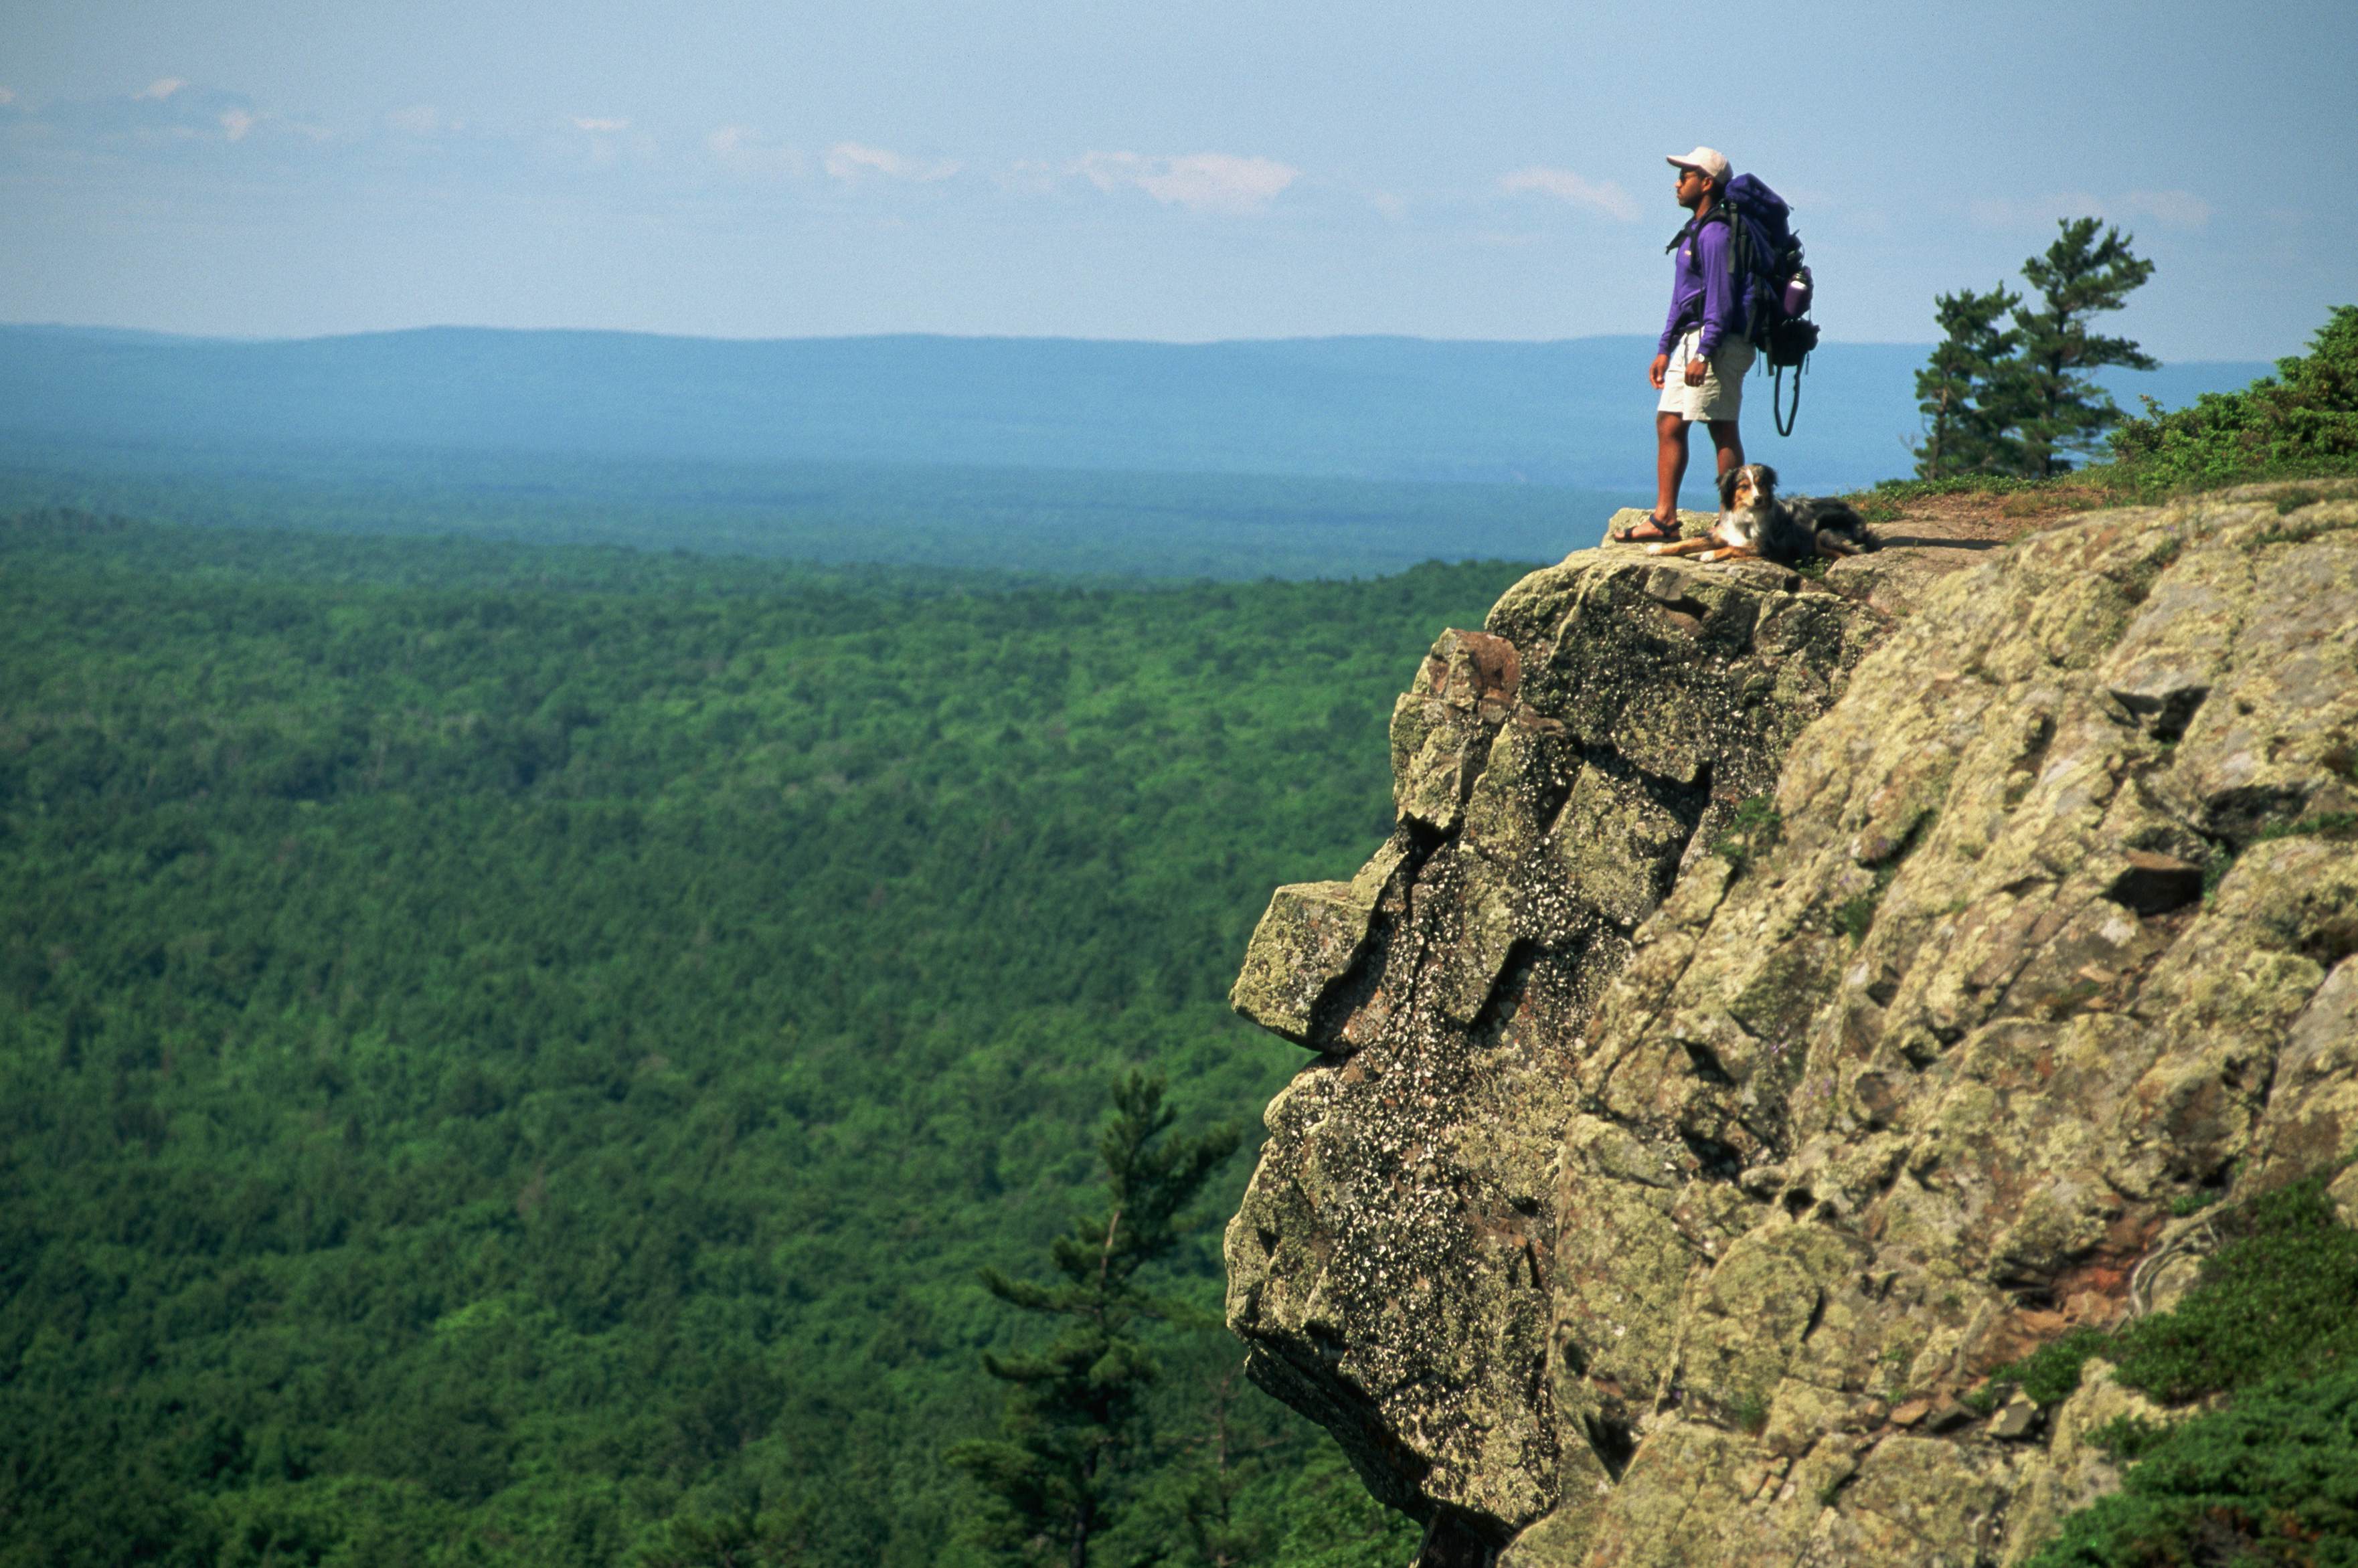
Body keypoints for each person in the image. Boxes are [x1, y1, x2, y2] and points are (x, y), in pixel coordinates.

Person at [1613, 147, 1755, 543]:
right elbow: (1682, 297)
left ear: (1707, 183)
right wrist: (1665, 348)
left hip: (1718, 342)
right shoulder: (1695, 230)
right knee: (1670, 422)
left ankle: (1732, 520)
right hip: (1694, 340)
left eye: (1686, 177)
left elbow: (1721, 301)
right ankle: (1664, 519)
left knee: (1721, 426)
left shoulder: (1716, 234)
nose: (1677, 184)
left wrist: (1706, 352)